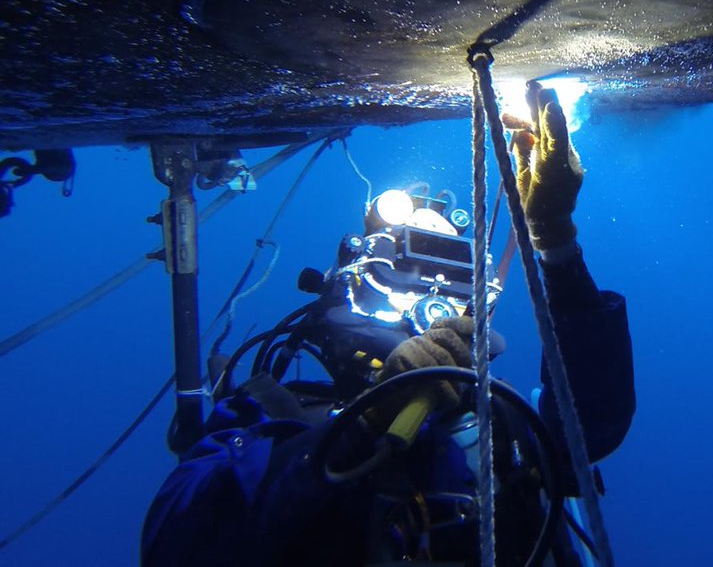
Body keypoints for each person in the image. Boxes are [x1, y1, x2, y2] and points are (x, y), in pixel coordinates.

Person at [141, 84, 635, 567]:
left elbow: (591, 421)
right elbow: (177, 542)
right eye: (400, 276)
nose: (423, 301)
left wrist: (555, 241)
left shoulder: (499, 421)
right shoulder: (268, 415)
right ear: (345, 284)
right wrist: (365, 425)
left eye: (451, 280)